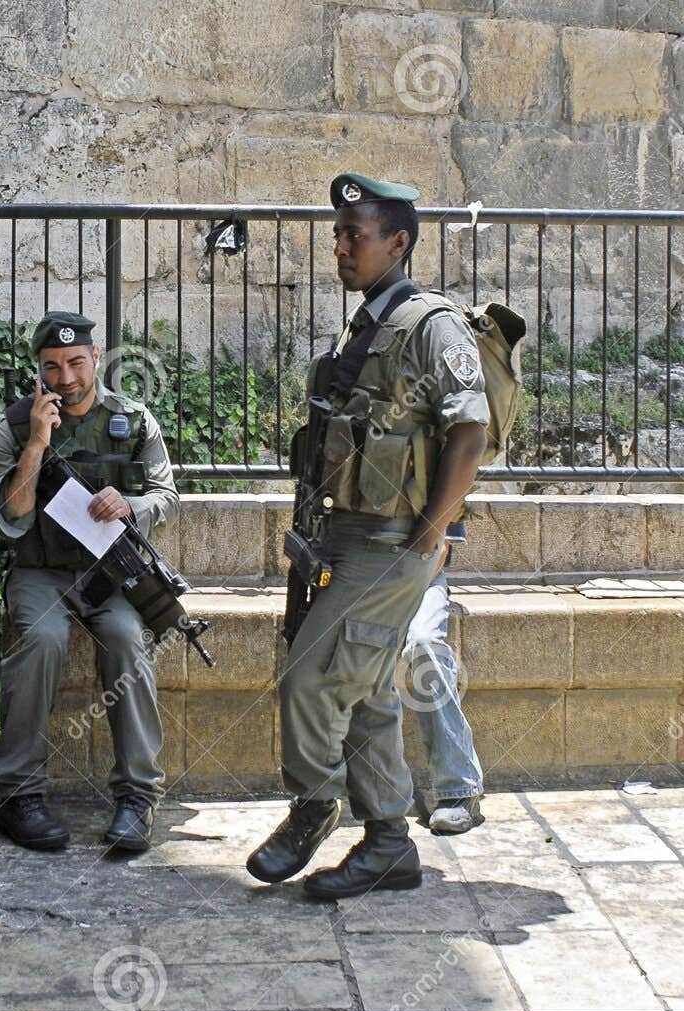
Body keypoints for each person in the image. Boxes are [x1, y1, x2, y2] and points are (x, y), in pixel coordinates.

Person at [246, 172, 489, 899]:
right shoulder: (368, 325)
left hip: (390, 544)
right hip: (345, 534)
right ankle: (389, 842)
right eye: (339, 234)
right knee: (367, 692)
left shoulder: (431, 324)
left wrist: (432, 528)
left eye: (357, 234)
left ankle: (315, 804)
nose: (342, 246)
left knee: (312, 676)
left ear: (399, 241)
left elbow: (469, 428)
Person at [0, 311, 179, 853]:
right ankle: (19, 793)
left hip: (108, 573)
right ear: (38, 369)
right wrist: (36, 445)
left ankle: (138, 797)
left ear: (96, 358)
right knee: (42, 639)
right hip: (39, 571)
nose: (65, 378)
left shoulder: (133, 418)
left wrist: (131, 504)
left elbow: (167, 496)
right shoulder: (16, 424)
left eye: (75, 362)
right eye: (52, 366)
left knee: (124, 638)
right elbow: (10, 519)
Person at [385, 520, 485, 834]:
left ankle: (460, 789)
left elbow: (441, 546)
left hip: (423, 576)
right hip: (360, 579)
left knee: (424, 645)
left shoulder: (439, 470)